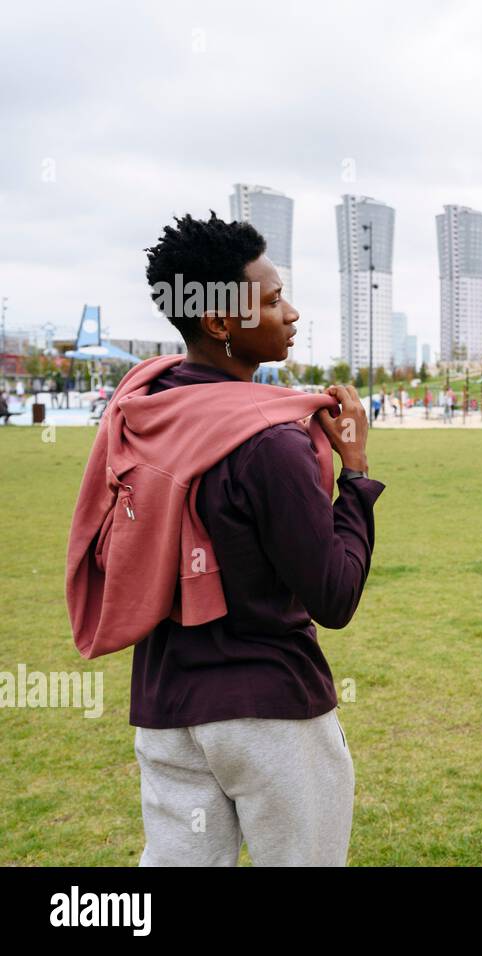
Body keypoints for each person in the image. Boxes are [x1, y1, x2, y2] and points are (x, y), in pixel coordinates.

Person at [68, 212, 384, 866]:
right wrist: (354, 474)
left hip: (165, 710)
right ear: (218, 321)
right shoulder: (270, 439)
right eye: (271, 299)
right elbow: (334, 595)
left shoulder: (139, 405)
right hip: (270, 714)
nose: (290, 312)